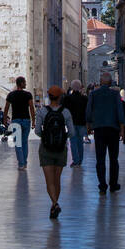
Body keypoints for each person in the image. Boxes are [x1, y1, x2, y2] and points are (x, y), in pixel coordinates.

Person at [35, 86, 74, 218]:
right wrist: (62, 138)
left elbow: (37, 131)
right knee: (57, 179)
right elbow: (72, 132)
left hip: (46, 149)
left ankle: (55, 204)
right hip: (60, 149)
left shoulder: (42, 111)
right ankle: (54, 205)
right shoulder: (66, 112)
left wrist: (46, 138)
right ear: (60, 97)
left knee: (49, 181)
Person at [86, 73, 125, 193]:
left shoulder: (93, 94)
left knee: (100, 159)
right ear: (110, 83)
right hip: (113, 129)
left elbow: (88, 111)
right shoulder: (115, 95)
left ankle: (102, 185)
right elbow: (120, 112)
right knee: (114, 159)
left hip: (99, 130)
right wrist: (122, 130)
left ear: (100, 82)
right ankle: (113, 184)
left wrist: (88, 125)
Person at [3, 76, 35, 170]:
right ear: (20, 83)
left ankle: (21, 164)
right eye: (24, 82)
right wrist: (33, 121)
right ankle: (24, 163)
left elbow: (6, 107)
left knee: (18, 143)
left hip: (16, 121)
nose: (25, 84)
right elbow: (31, 108)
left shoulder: (11, 95)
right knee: (24, 142)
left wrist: (4, 119)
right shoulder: (28, 95)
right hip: (26, 120)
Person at [63, 80, 88, 166]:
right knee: (80, 141)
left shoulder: (67, 98)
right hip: (81, 122)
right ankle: (80, 160)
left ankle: (76, 161)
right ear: (80, 87)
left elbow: (64, 111)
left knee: (73, 142)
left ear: (72, 87)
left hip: (71, 123)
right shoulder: (84, 99)